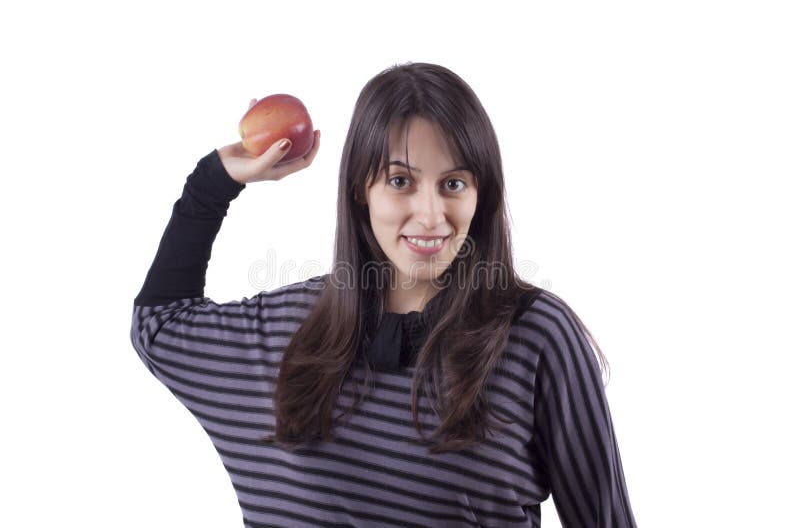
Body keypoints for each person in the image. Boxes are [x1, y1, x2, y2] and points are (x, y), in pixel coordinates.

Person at [131, 62, 637, 527]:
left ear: (481, 195)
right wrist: (211, 183)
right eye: (401, 181)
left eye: (454, 183)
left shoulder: (534, 338)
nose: (431, 214)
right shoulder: (284, 330)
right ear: (360, 189)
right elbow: (158, 324)